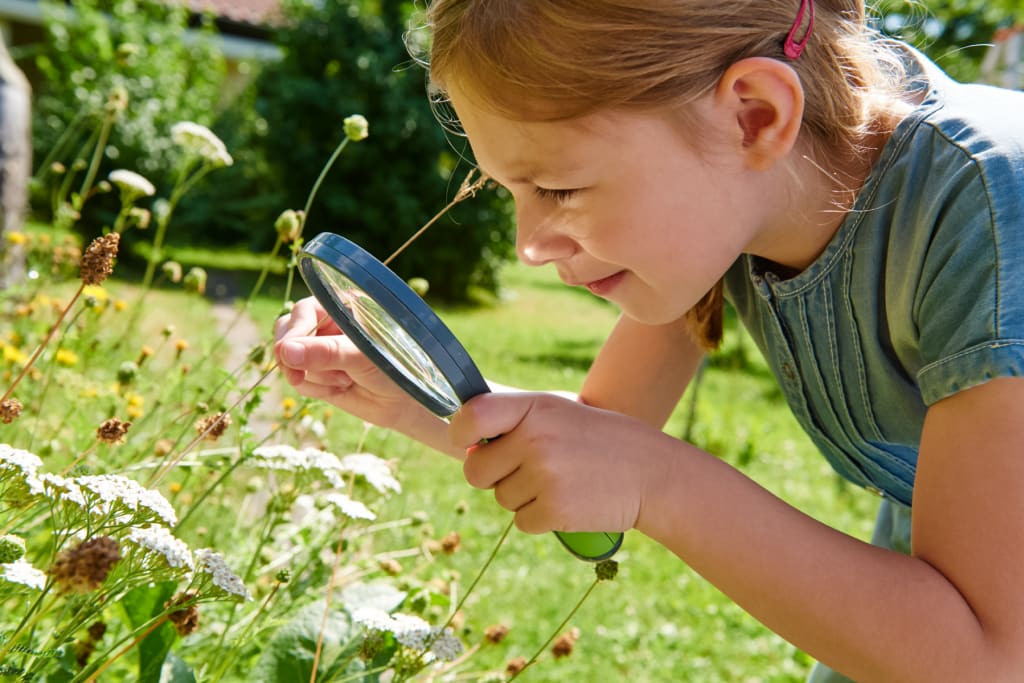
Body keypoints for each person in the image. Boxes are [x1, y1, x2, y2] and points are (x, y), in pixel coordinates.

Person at [274, 0, 1024, 679]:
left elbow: (986, 656)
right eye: (513, 191)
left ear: (755, 116)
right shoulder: (738, 202)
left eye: (559, 189)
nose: (528, 244)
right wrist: (416, 397)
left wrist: (661, 482)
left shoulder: (991, 207)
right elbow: (604, 436)